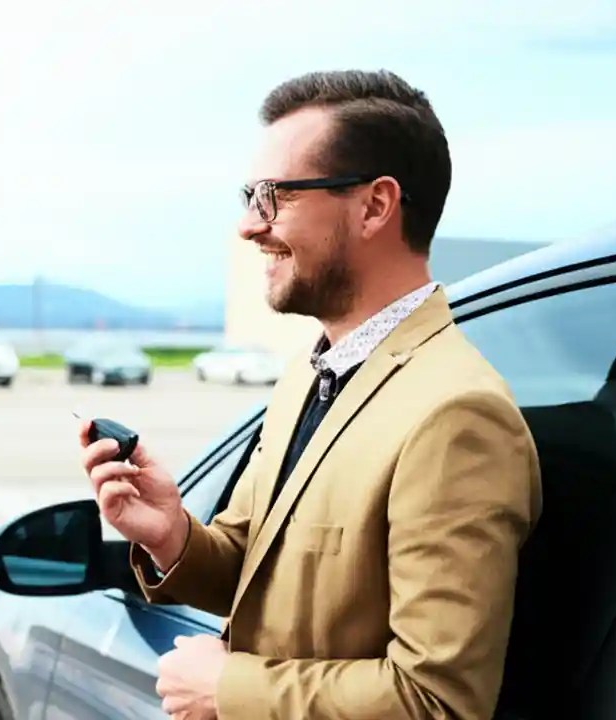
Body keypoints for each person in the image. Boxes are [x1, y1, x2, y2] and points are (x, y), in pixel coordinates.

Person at [80, 69, 542, 720]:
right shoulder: (309, 371)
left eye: (273, 196)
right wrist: (171, 534)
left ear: (376, 206)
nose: (248, 226)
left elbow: (437, 701)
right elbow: (260, 567)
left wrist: (224, 690)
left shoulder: (456, 415)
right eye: (249, 196)